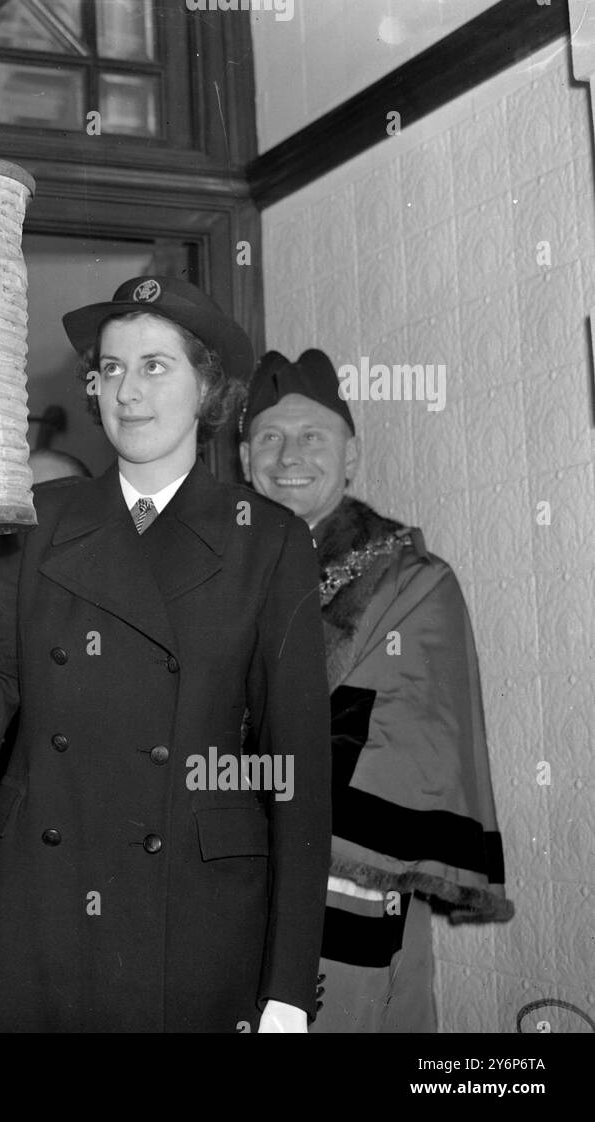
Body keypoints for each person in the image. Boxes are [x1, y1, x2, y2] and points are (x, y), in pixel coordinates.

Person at [0, 276, 332, 1032]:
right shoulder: (31, 521)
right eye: (112, 368)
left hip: (190, 914)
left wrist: (287, 980)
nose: (128, 390)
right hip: (38, 905)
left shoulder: (267, 539)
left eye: (156, 366)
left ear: (207, 388)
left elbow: (296, 774)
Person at [239, 348, 513, 1032]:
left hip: (348, 889)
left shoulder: (411, 583)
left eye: (313, 437)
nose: (287, 454)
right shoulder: (216, 569)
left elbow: (402, 745)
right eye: (268, 437)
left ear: (351, 456)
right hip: (223, 888)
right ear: (244, 461)